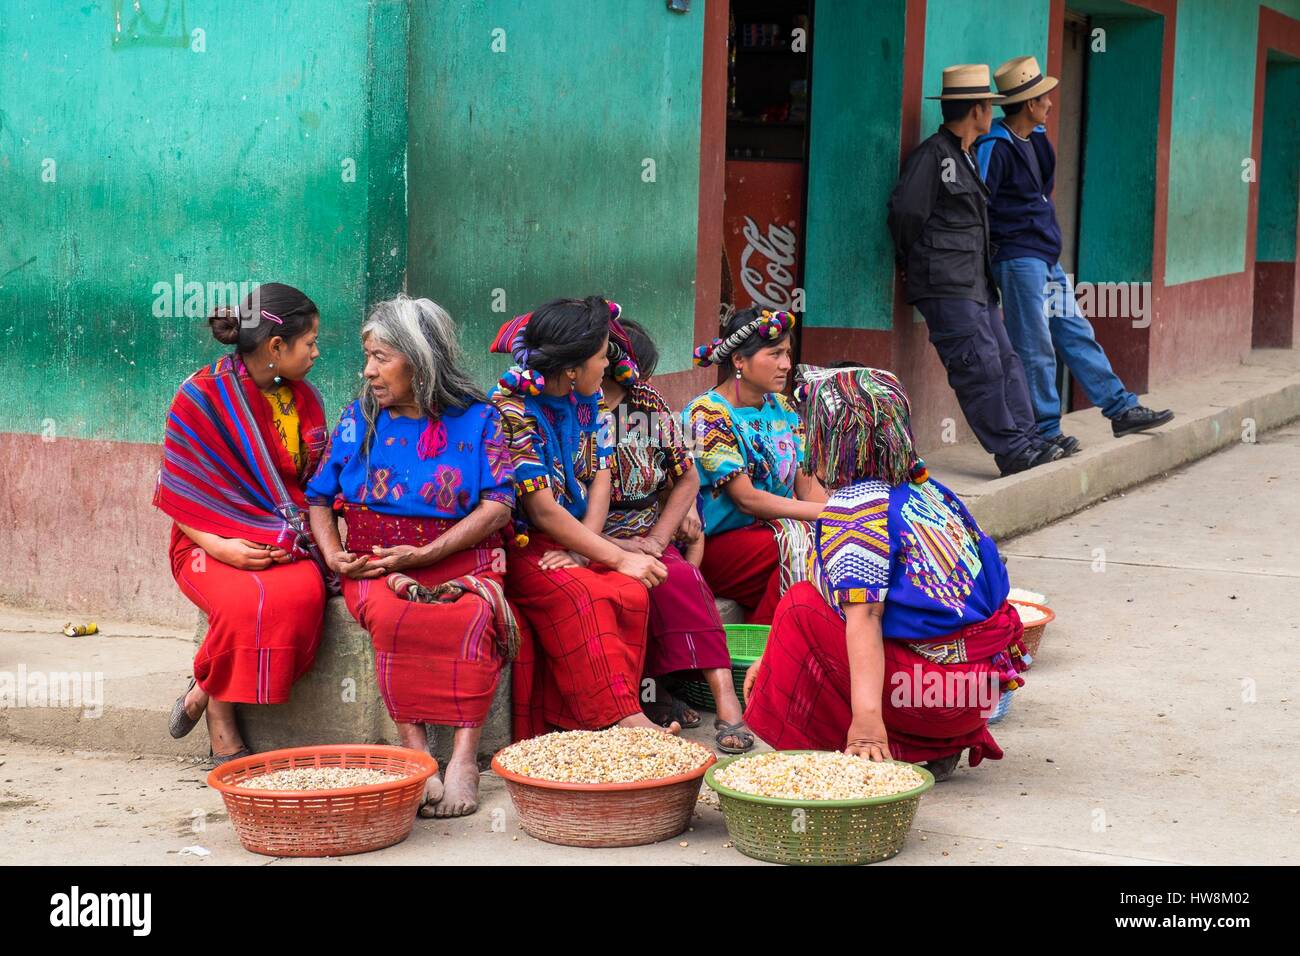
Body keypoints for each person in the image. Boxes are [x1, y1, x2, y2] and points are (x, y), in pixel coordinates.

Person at [743, 365, 1031, 782]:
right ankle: (927, 745)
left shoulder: (857, 509)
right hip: (975, 694)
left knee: (799, 607)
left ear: (831, 438)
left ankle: (868, 747)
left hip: (934, 699)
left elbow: (865, 616)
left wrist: (866, 724)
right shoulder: (925, 487)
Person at [307, 295, 516, 817]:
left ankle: (465, 759)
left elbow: (498, 505)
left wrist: (426, 553)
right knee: (395, 615)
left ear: (420, 359)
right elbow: (318, 497)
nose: (368, 371)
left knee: (470, 614)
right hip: (375, 561)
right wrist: (334, 555)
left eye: (381, 357)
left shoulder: (479, 420)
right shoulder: (359, 419)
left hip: (458, 556)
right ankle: (418, 754)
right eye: (368, 357)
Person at [157, 283, 328, 765]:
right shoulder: (202, 396)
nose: (316, 353)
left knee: (300, 597)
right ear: (276, 346)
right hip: (203, 540)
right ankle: (221, 723)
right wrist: (225, 549)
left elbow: (314, 483)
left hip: (285, 537)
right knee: (242, 604)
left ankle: (201, 689)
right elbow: (180, 495)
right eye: (310, 342)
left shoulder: (304, 400)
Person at [490, 296, 672, 738]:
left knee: (631, 592)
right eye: (600, 357)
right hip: (524, 545)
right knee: (584, 593)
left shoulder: (592, 405)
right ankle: (623, 722)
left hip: (576, 539)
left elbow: (600, 481)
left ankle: (592, 723)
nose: (608, 366)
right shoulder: (510, 409)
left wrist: (583, 548)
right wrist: (614, 556)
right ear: (571, 367)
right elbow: (541, 509)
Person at [975, 55, 1174, 452]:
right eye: (1044, 98)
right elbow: (977, 205)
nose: (1050, 103)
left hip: (1044, 256)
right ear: (1029, 104)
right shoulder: (994, 147)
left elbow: (1040, 196)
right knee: (1035, 345)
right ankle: (1047, 428)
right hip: (1016, 258)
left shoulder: (1039, 142)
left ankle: (1120, 408)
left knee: (1076, 332)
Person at [887, 64, 1064, 477]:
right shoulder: (933, 155)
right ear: (979, 110)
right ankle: (1011, 450)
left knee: (1006, 360)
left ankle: (1027, 438)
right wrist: (915, 263)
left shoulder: (963, 157)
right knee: (978, 366)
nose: (994, 115)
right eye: (991, 108)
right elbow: (906, 213)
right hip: (947, 285)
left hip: (975, 284)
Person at [600, 317, 753, 752]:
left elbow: (686, 477)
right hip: (593, 538)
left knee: (681, 579)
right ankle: (654, 695)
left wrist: (657, 539)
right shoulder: (577, 408)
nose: (640, 378)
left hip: (648, 531)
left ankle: (727, 704)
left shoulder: (647, 405)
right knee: (630, 591)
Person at [684, 307, 826, 626]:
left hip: (770, 537)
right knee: (804, 546)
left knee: (834, 544)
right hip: (721, 545)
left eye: (788, 354)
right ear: (738, 360)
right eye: (775, 353)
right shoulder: (708, 415)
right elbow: (746, 499)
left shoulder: (783, 408)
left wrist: (848, 517)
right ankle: (773, 655)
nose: (787, 365)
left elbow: (806, 484)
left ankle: (768, 651)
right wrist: (830, 516)